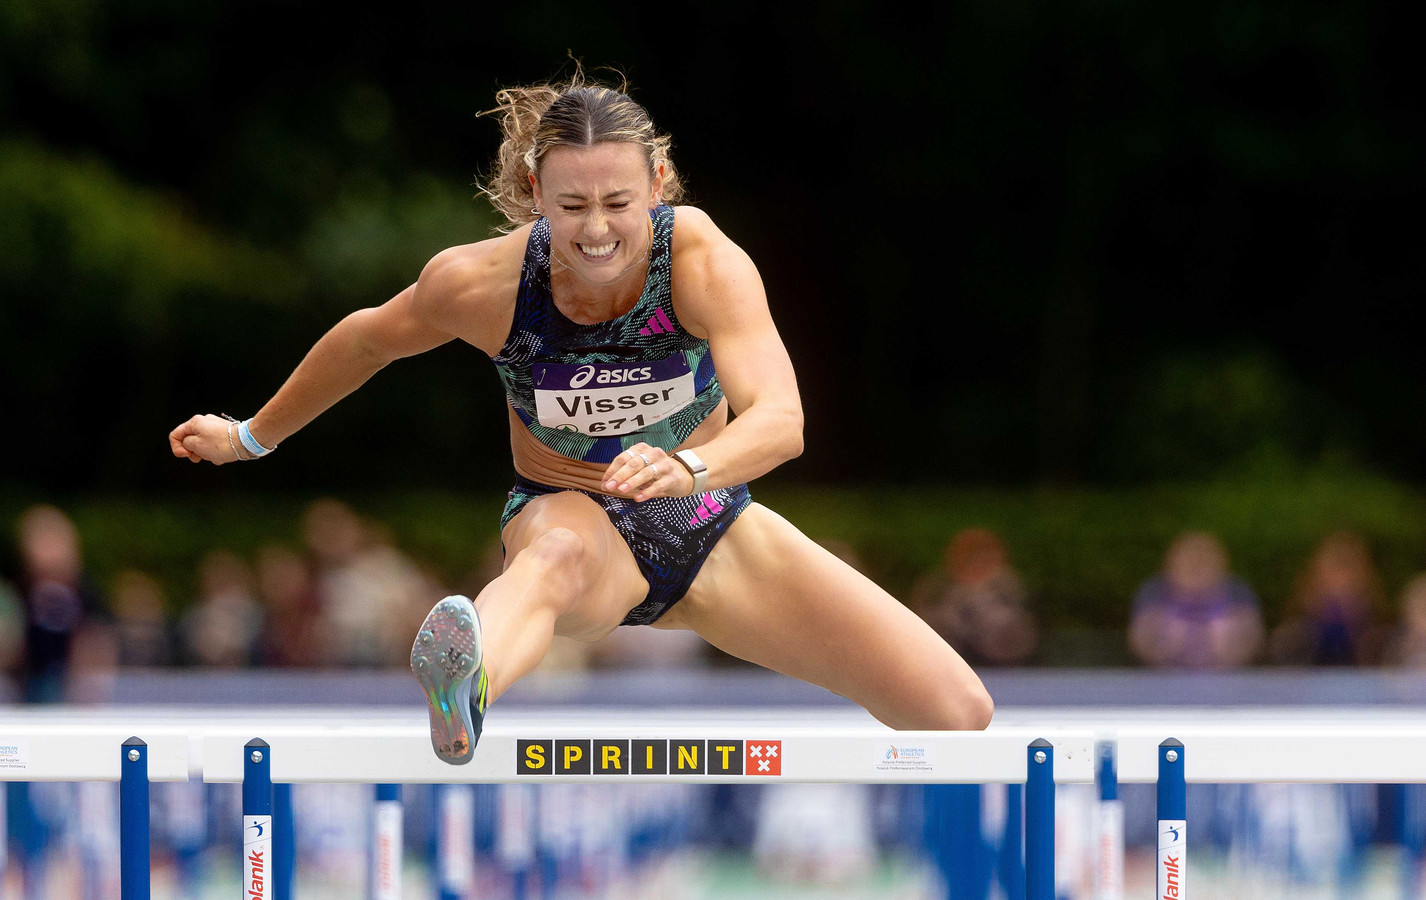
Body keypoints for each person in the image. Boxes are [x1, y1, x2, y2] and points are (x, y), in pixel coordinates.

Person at [168, 71, 993, 764]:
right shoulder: (482, 284)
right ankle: (467, 680)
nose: (596, 231)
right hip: (575, 515)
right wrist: (250, 436)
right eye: (571, 207)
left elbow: (781, 420)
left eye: (617, 203)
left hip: (709, 522)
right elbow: (366, 341)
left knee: (958, 714)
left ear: (658, 184)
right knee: (556, 553)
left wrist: (691, 467)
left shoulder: (703, 262)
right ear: (535, 194)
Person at [1128, 531, 1263, 668]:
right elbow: (1141, 641)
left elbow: (1251, 641)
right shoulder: (1154, 592)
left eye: (1204, 560)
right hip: (1164, 680)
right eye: (1188, 559)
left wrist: (1228, 645)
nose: (1196, 566)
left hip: (1224, 680)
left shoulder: (1237, 592)